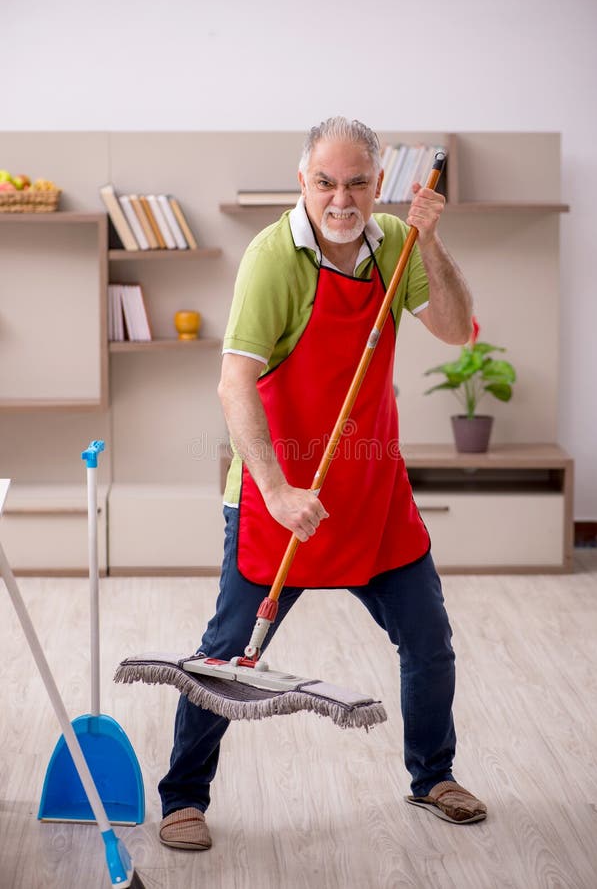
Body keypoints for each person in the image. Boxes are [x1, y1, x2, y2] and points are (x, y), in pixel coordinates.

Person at [158, 117, 487, 850]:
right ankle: (183, 796)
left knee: (428, 641)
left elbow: (457, 326)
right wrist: (274, 491)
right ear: (301, 182)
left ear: (379, 184)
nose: (341, 199)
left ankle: (433, 775)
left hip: (371, 486)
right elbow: (234, 385)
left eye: (357, 183)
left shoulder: (395, 245)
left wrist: (428, 240)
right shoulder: (272, 259)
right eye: (325, 183)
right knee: (228, 652)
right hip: (281, 489)